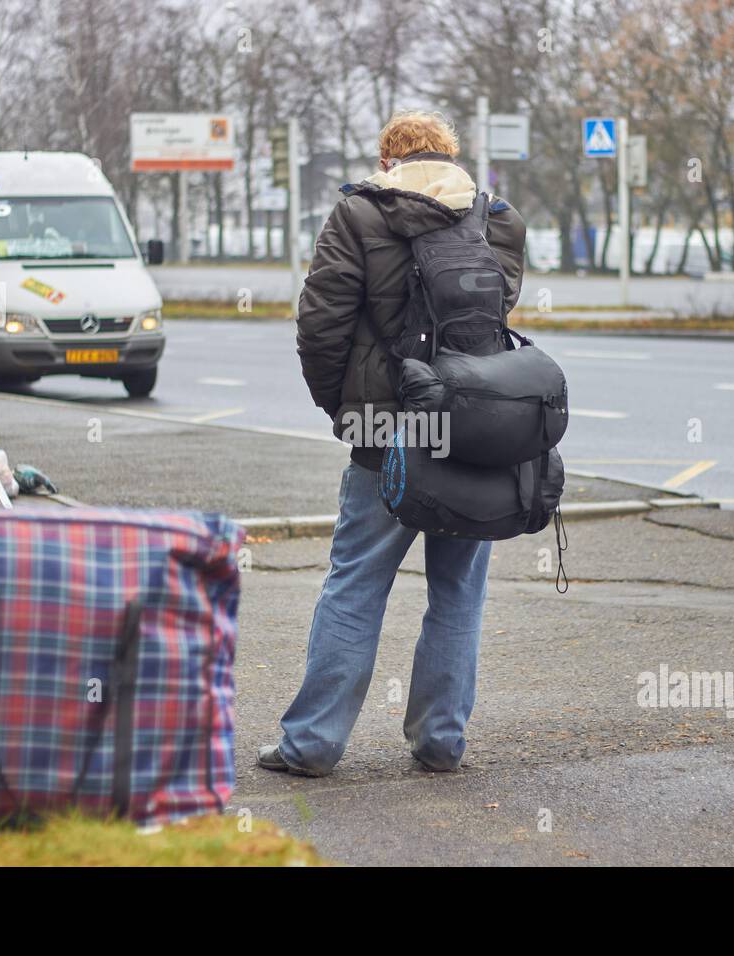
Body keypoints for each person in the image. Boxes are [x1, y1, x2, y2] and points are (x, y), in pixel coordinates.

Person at [257, 110, 525, 777]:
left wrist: (345, 410)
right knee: (458, 592)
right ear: (452, 157)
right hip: (472, 432)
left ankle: (312, 745)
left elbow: (320, 329)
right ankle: (441, 742)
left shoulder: (357, 216)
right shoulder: (494, 218)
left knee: (355, 584)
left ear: (387, 163)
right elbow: (492, 321)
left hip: (386, 432)